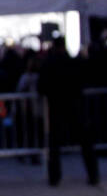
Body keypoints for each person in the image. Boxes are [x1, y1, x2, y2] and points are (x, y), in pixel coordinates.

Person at [38, 37, 99, 186]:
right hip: (75, 105)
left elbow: (42, 87)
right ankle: (93, 175)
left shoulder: (49, 64)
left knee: (55, 144)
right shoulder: (73, 62)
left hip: (57, 106)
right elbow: (85, 78)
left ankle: (54, 177)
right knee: (85, 142)